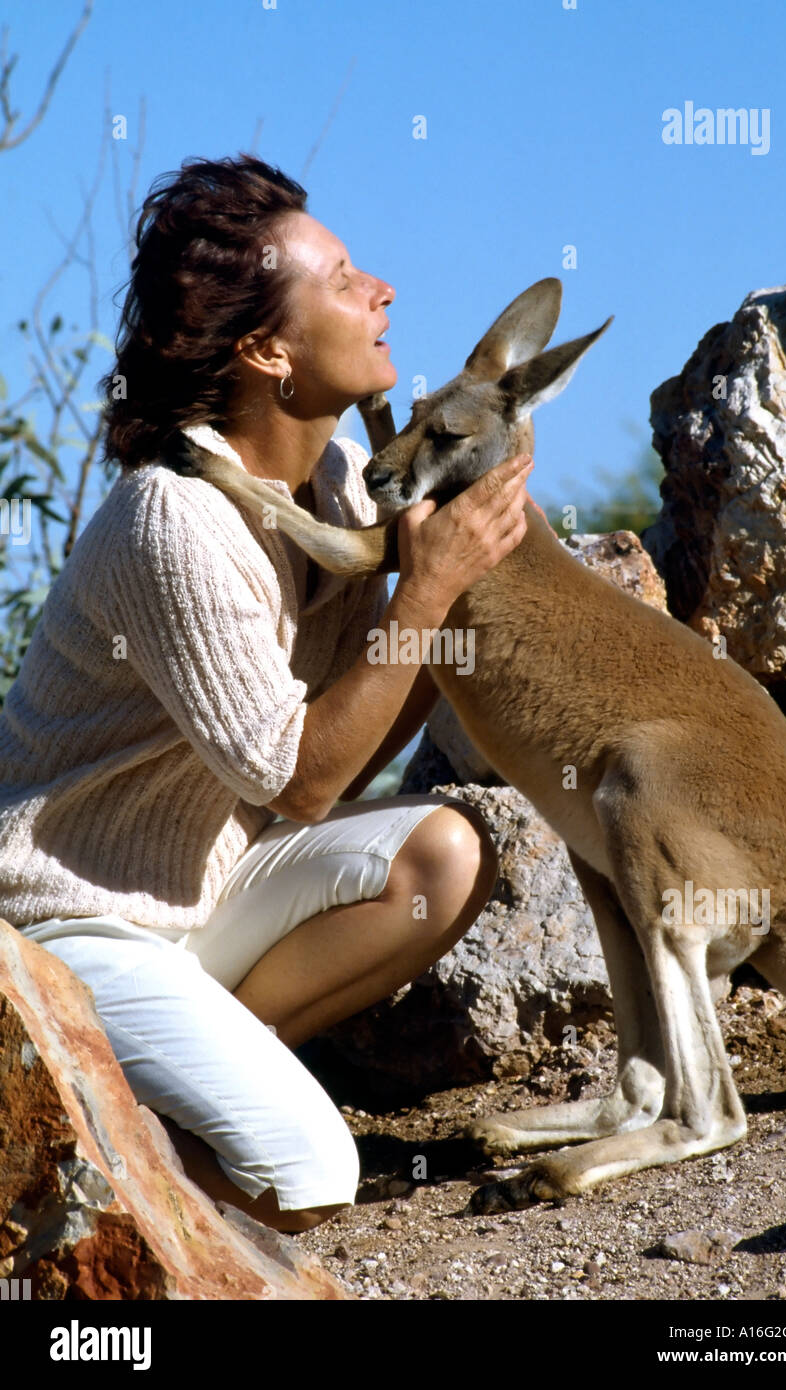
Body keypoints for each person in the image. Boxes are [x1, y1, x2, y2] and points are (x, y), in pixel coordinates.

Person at [0, 154, 533, 1235]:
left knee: (443, 854)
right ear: (265, 351)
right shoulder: (172, 519)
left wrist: (462, 585)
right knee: (306, 1181)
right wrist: (426, 588)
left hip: (202, 891)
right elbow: (303, 779)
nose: (380, 289)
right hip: (66, 923)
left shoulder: (334, 483)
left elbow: (370, 712)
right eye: (341, 279)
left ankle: (180, 1091)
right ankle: (88, 1140)